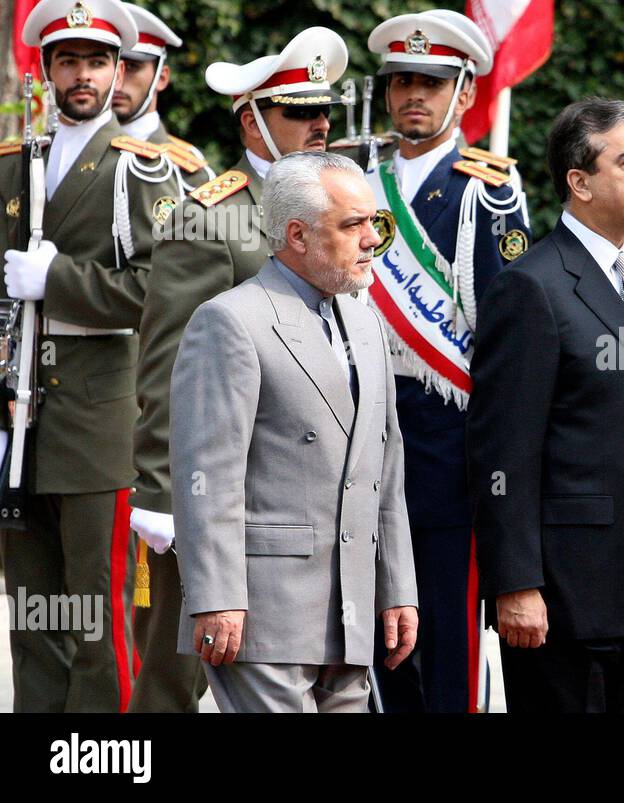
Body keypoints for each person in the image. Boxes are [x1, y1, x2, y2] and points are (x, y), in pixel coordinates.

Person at [127, 26, 349, 712]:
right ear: (252, 122)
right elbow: (168, 363)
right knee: (175, 673)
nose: (318, 126)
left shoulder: (337, 212)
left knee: (299, 671)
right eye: (299, 113)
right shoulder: (211, 218)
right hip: (216, 492)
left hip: (303, 492)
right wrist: (164, 493)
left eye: (324, 112)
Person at [169, 150, 419, 713]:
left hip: (350, 612)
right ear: (298, 235)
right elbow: (207, 472)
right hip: (262, 613)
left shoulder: (365, 319)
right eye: (352, 225)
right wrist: (215, 596)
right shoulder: (231, 319)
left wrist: (398, 587)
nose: (371, 240)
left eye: (374, 222)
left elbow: (386, 470)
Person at [467, 98, 624, 713]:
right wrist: (515, 585)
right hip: (562, 597)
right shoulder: (532, 285)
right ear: (579, 183)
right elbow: (501, 449)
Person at [0, 0, 176, 713]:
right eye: (68, 60)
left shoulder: (141, 168)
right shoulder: (16, 164)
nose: (83, 75)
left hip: (100, 425)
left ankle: (104, 755)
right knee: (32, 617)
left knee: (96, 619)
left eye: (97, 61)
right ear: (45, 70)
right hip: (21, 421)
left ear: (119, 71)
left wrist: (59, 283)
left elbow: (159, 290)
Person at [362, 10, 529, 714]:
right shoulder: (353, 179)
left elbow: (506, 337)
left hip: (444, 448)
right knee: (372, 646)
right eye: (402, 80)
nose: (414, 96)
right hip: (358, 437)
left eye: (431, 82)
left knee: (444, 644)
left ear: (465, 94)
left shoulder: (486, 191)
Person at [112, 2, 210, 180]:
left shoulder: (186, 170)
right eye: (111, 67)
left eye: (132, 67)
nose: (118, 81)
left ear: (162, 78)